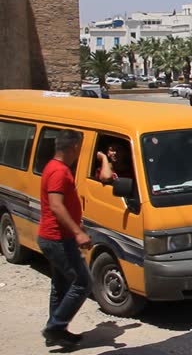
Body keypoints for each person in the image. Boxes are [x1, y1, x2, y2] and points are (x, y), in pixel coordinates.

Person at [37, 130, 91, 348]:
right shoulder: (59, 172)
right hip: (58, 239)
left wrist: (77, 225)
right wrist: (78, 233)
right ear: (74, 148)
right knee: (83, 283)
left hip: (55, 236)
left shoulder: (53, 167)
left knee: (60, 285)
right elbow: (56, 205)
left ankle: (57, 331)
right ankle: (56, 326)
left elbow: (63, 206)